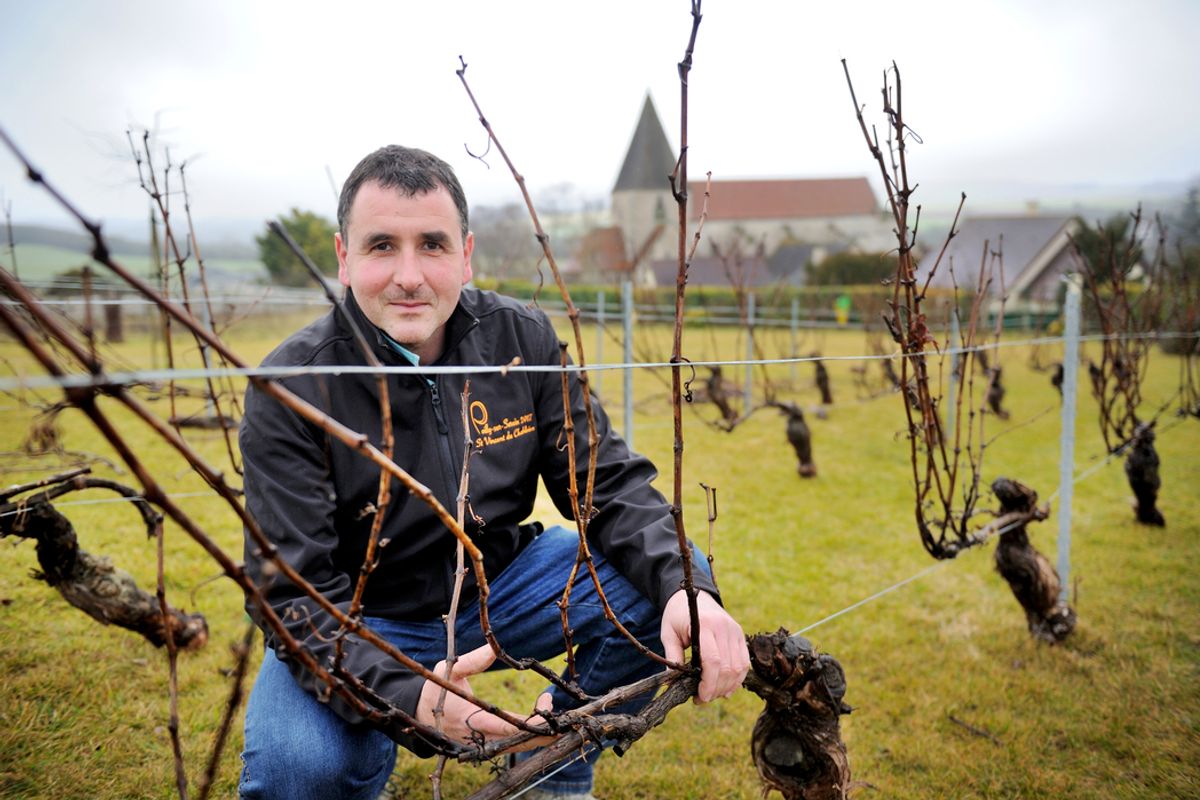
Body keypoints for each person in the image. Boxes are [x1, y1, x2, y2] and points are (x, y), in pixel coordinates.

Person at [238, 145, 749, 800]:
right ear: (343, 257)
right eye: (381, 247)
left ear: (467, 253)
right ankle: (360, 761)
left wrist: (689, 588)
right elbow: (294, 593)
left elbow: (608, 485)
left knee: (656, 589)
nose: (410, 275)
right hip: (356, 616)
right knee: (297, 771)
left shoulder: (522, 340)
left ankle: (552, 768)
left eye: (432, 244)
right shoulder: (290, 385)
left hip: (495, 588)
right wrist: (412, 697)